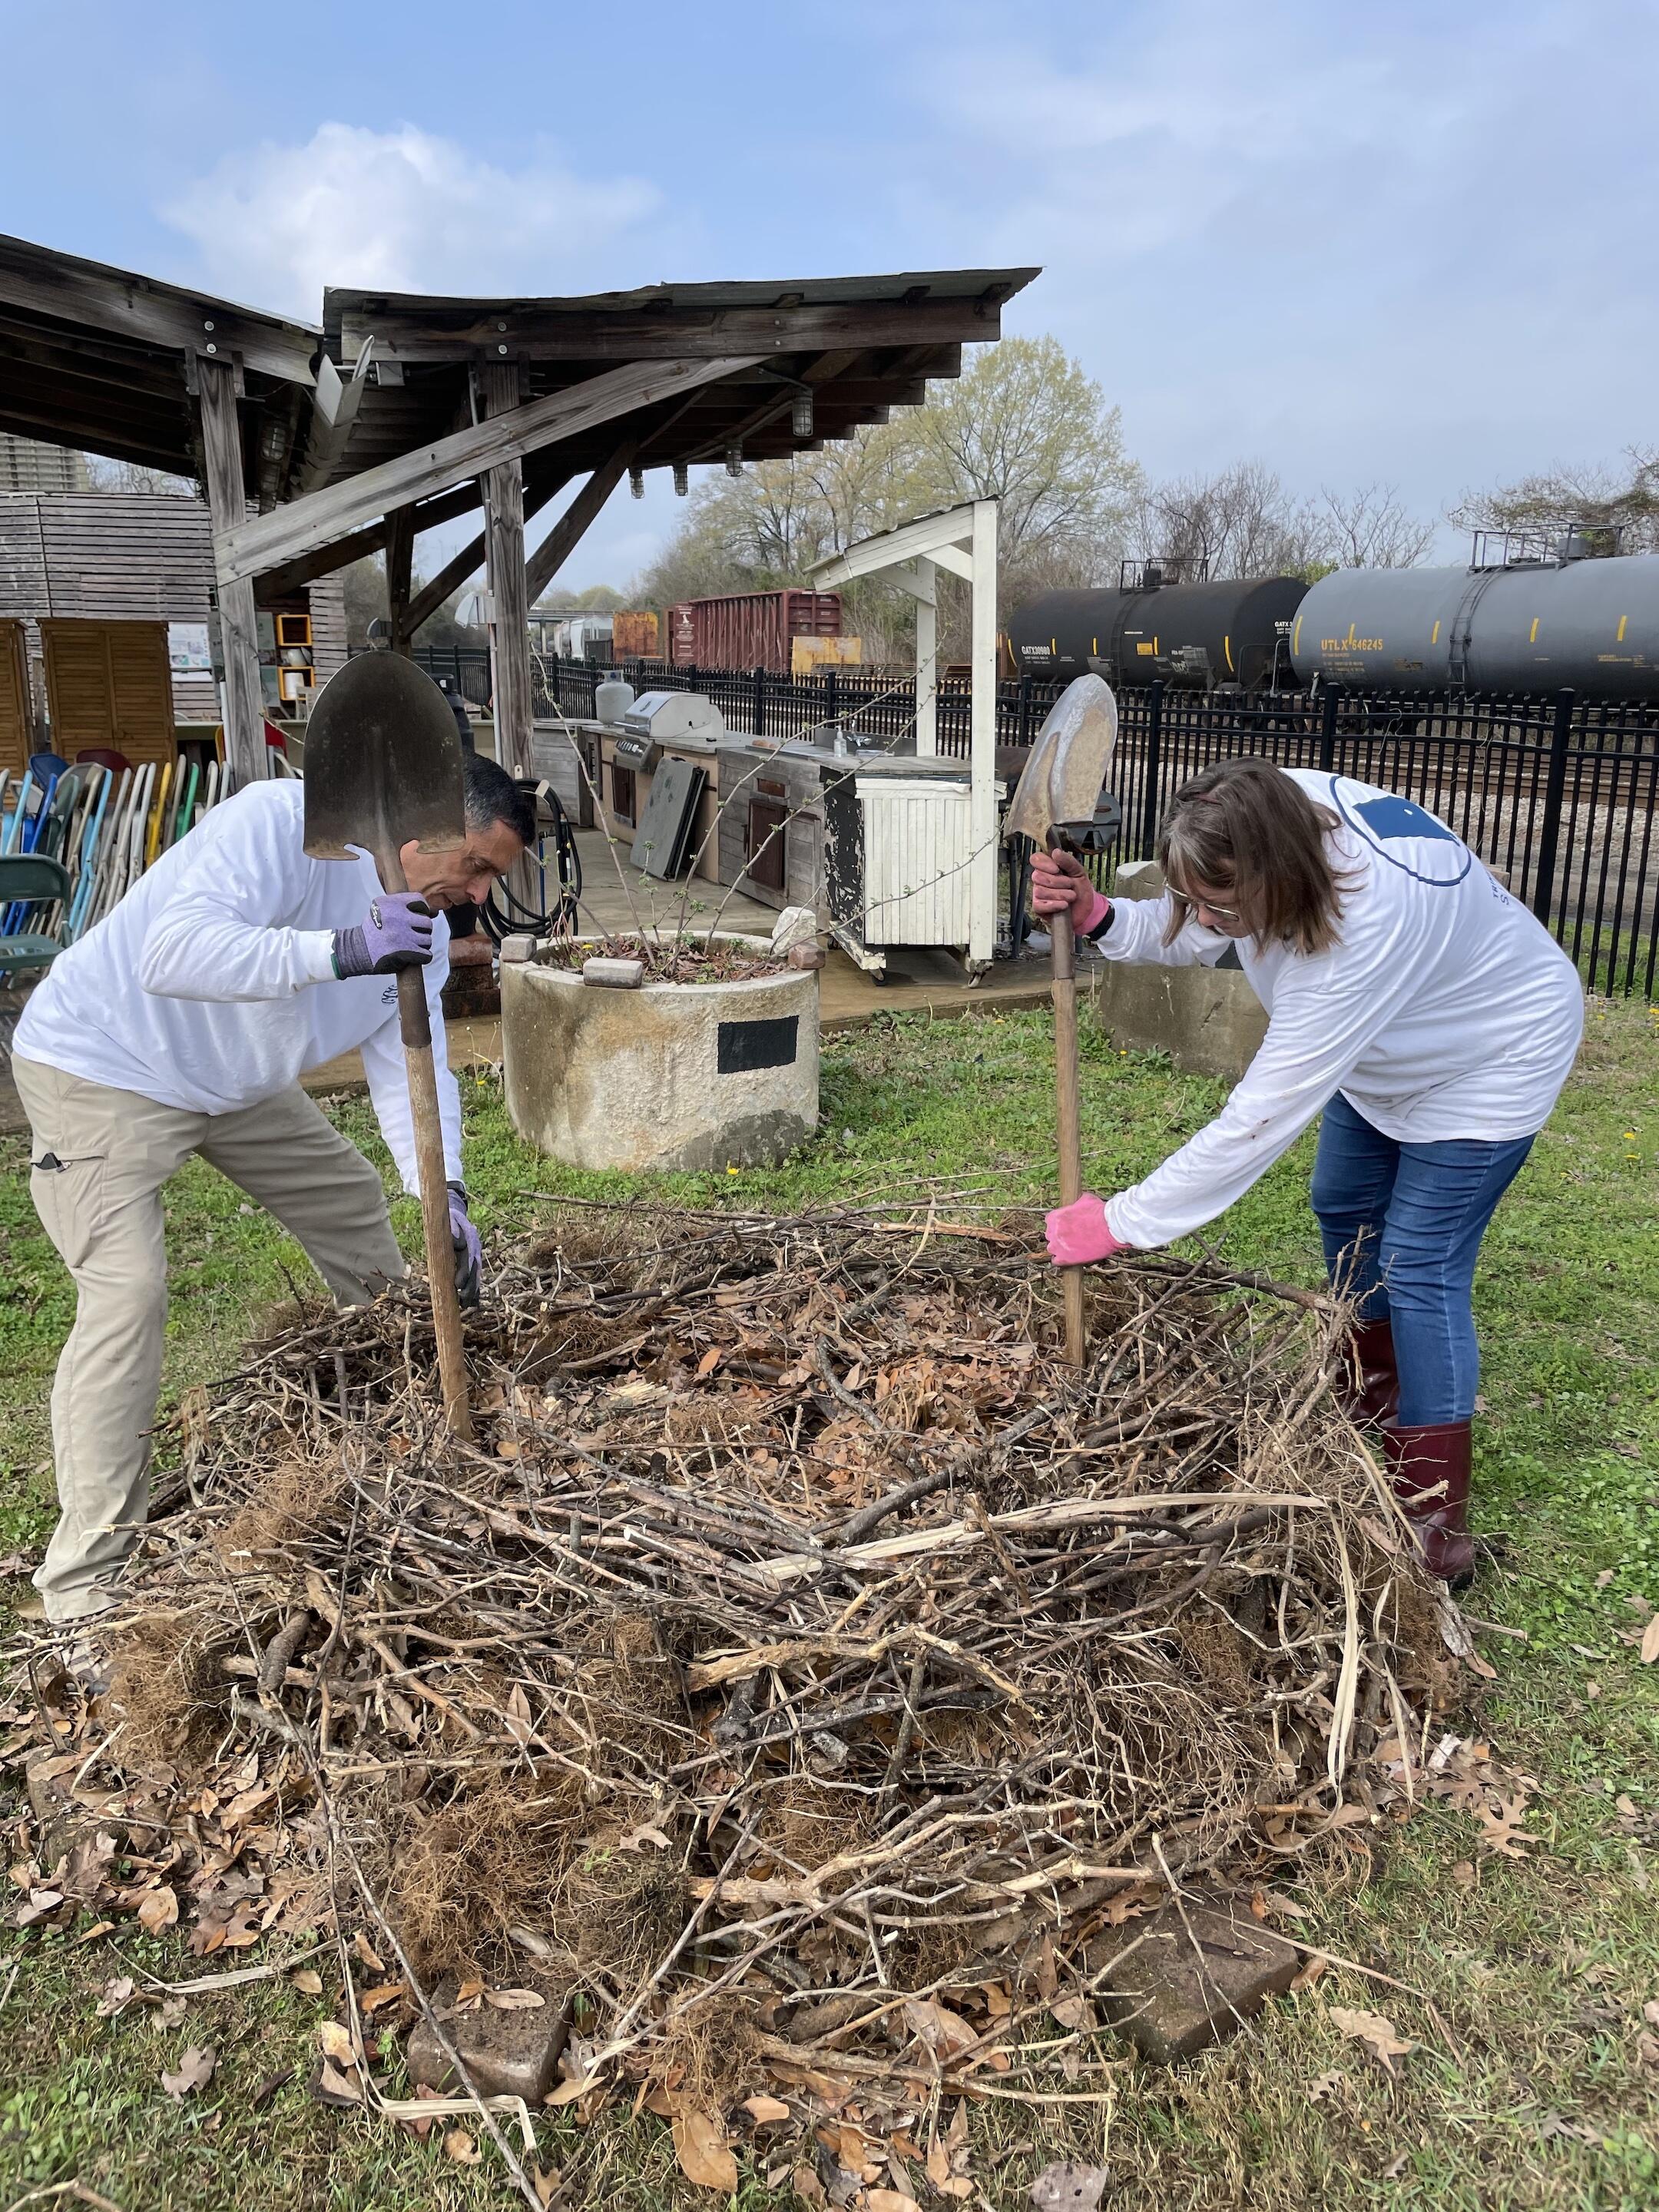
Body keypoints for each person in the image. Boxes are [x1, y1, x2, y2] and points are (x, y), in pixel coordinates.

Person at [1031, 758, 1584, 1587]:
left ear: (1281, 877)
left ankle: (1432, 1517)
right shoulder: (1264, 810)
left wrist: (1121, 1221)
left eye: (1224, 907)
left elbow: (1258, 1120)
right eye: (1192, 897)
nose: (1206, 921)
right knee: (1342, 1204)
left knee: (1420, 1264)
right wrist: (1102, 915)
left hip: (1492, 1056)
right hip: (1390, 1042)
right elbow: (1206, 922)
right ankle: (1373, 1398)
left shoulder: (1362, 932)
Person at [12, 752, 533, 1630]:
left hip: (234, 1080)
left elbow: (412, 1069)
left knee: (353, 1203)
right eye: (477, 865)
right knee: (127, 1297)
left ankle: (398, 1425)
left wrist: (444, 1193)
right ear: (425, 826)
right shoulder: (282, 823)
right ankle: (83, 1590)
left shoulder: (426, 936)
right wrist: (342, 949)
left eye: (493, 878)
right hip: (105, 1062)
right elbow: (173, 952)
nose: (480, 894)